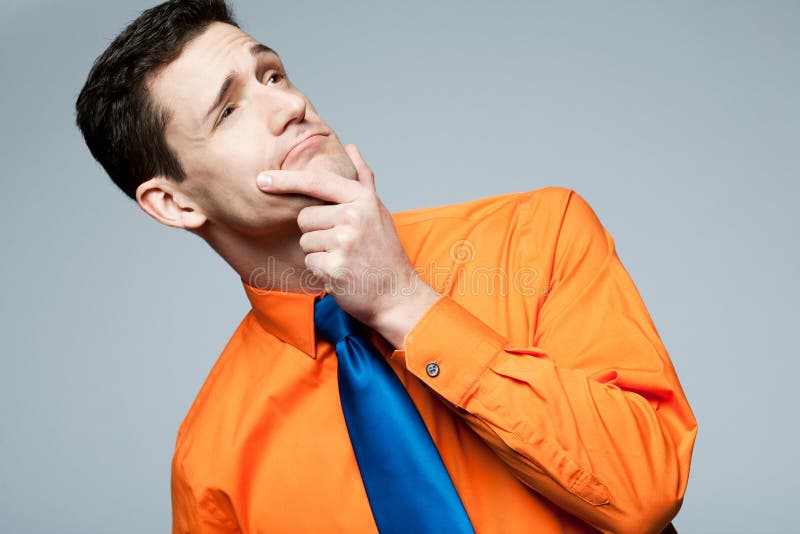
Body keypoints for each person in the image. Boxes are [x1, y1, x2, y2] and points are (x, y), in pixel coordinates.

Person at [74, 1, 697, 532]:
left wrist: (405, 303)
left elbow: (645, 492)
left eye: (272, 74)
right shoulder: (210, 460)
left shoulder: (538, 235)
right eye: (228, 111)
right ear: (174, 203)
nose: (288, 105)